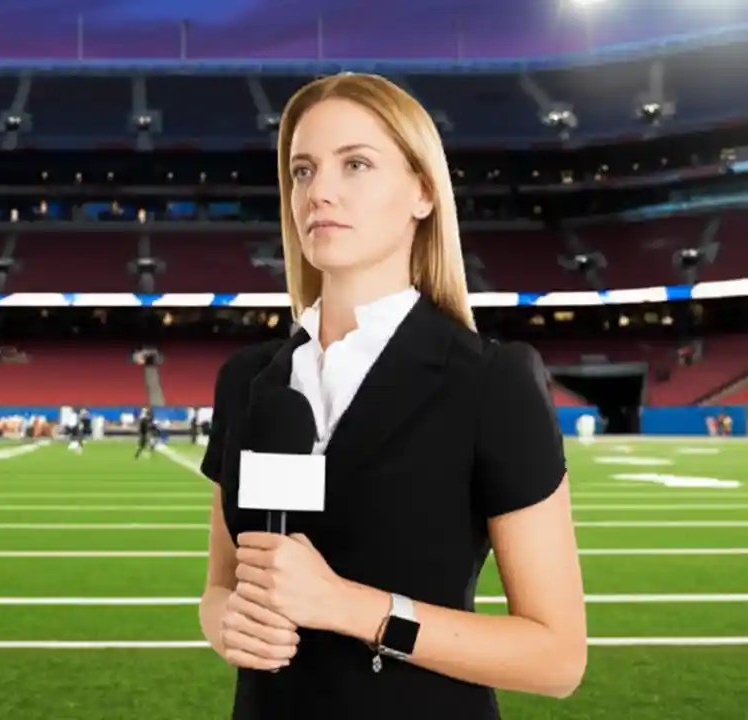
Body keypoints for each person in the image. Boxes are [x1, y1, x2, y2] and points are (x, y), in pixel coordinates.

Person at [196, 74, 586, 719]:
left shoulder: (492, 382)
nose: (320, 191)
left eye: (356, 164)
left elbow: (557, 659)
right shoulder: (249, 380)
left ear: (423, 191)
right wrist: (227, 622)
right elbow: (221, 587)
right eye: (302, 170)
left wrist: (352, 608)